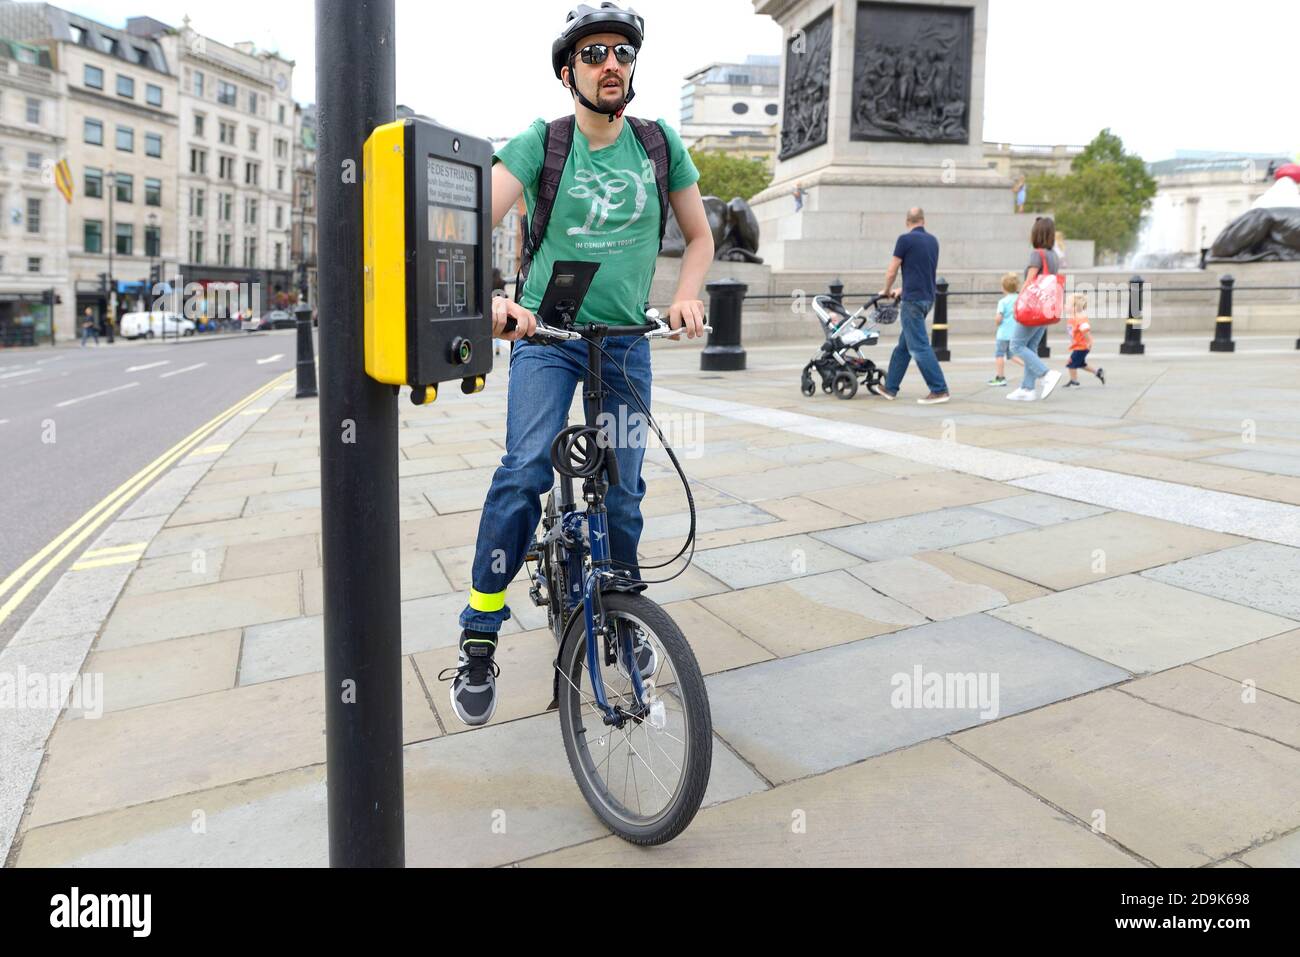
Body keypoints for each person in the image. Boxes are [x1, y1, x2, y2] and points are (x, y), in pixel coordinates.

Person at [442, 2, 713, 726]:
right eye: (593, 54)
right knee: (526, 470)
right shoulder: (543, 142)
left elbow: (700, 238)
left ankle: (621, 612)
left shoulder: (658, 145)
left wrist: (686, 297)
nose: (611, 65)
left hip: (624, 338)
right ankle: (479, 629)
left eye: (621, 53)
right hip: (548, 338)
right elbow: (466, 222)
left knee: (623, 490)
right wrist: (496, 302)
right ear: (570, 72)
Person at [876, 207, 950, 405]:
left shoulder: (904, 240)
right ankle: (890, 388)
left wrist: (886, 290)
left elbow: (891, 271)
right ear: (923, 221)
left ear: (907, 222)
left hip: (913, 302)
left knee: (919, 347)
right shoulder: (933, 241)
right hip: (927, 298)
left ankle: (939, 389)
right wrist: (903, 289)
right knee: (904, 346)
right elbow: (921, 271)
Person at [1006, 217, 1063, 402]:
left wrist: (1018, 300)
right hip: (1046, 309)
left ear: (1036, 234)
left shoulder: (1036, 254)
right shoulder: (1053, 256)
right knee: (1030, 346)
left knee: (1016, 346)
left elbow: (1030, 281)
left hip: (1033, 308)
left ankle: (1046, 374)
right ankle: (1027, 389)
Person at [1063, 292, 1104, 388]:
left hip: (1081, 347)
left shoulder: (1079, 319)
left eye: (1067, 304)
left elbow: (1086, 331)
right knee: (1081, 364)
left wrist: (1089, 342)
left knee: (1071, 363)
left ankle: (1074, 382)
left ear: (1074, 307)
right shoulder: (1073, 318)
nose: (1064, 306)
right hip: (1078, 346)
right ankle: (1098, 372)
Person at [988, 272, 1022, 386]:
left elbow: (999, 317)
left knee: (999, 355)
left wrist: (997, 322)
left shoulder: (1003, 302)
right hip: (1016, 333)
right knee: (1012, 355)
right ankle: (1030, 367)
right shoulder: (1019, 299)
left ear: (1003, 288)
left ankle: (1000, 377)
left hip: (1003, 334)